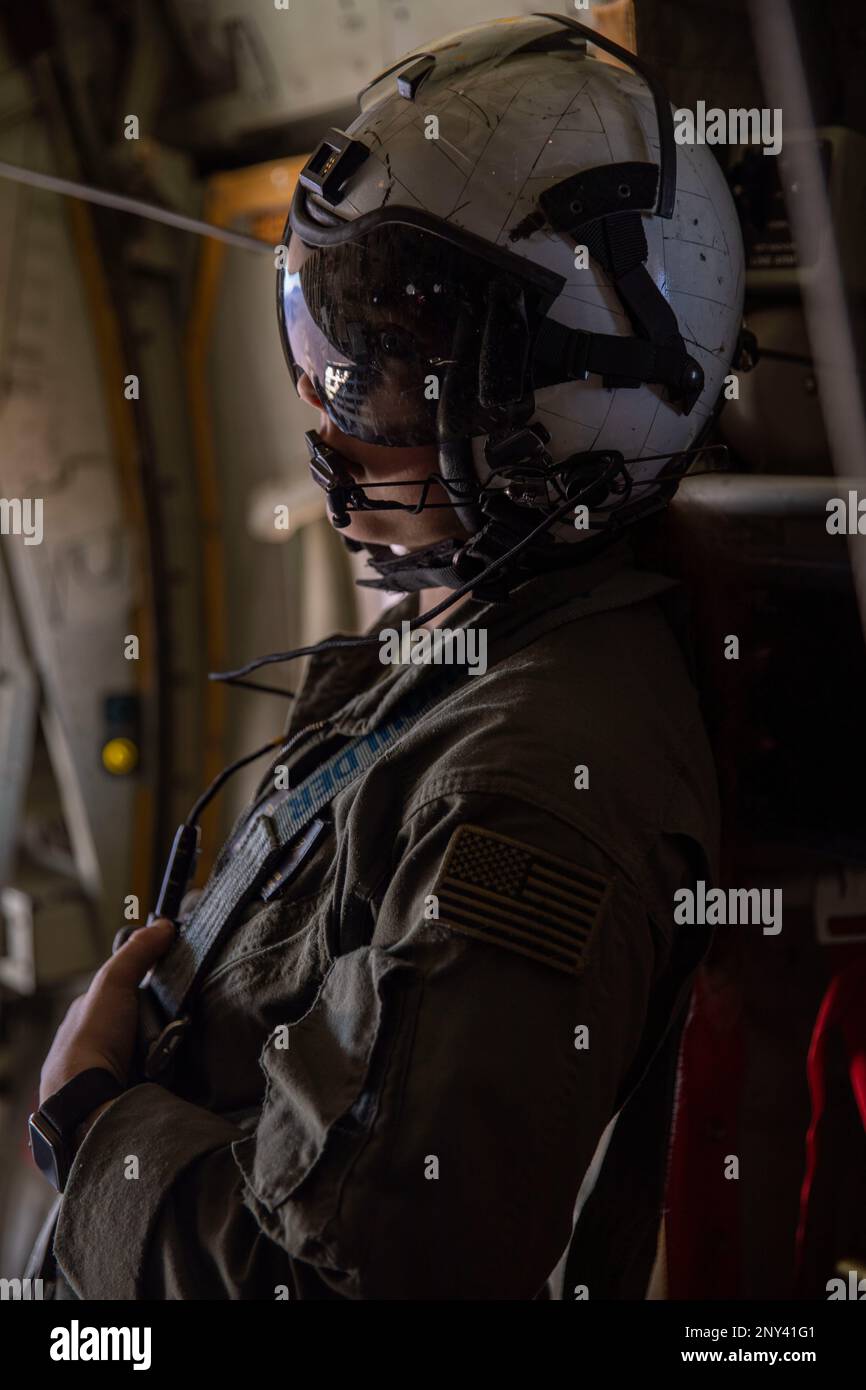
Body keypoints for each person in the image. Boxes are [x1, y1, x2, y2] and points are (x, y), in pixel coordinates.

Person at [28, 14, 744, 1299]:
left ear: (552, 406)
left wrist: (95, 1127)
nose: (322, 398)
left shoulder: (531, 794)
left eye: (380, 364)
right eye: (317, 314)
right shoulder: (458, 650)